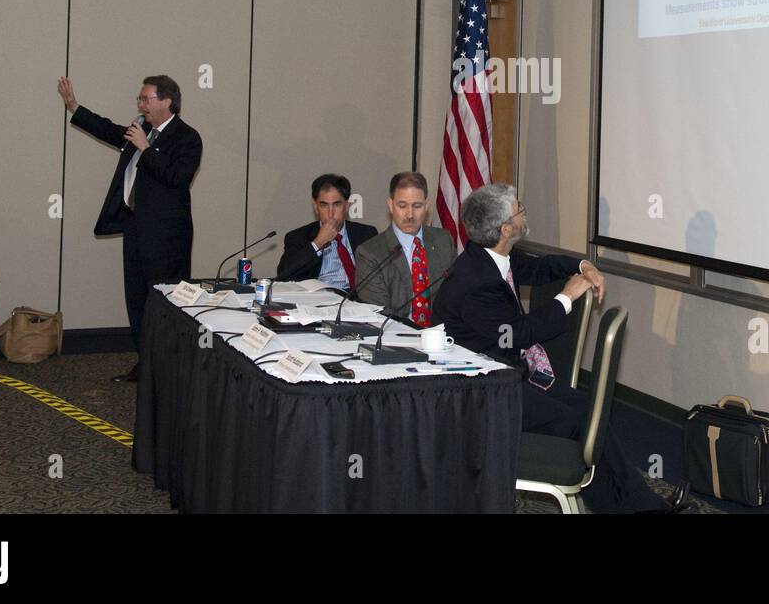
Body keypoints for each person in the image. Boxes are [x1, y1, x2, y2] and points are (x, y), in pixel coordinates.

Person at [432, 183, 671, 512]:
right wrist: (567, 297)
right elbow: (518, 334)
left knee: (590, 410)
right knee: (579, 423)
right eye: (519, 209)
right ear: (505, 229)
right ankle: (639, 505)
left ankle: (631, 503)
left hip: (510, 376)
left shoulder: (494, 256)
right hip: (487, 395)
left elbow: (540, 267)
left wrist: (581, 266)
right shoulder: (474, 281)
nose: (523, 213)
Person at [57, 75, 202, 383]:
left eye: (145, 99)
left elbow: (177, 178)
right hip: (135, 227)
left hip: (166, 237)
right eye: (140, 99)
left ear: (166, 101)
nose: (140, 105)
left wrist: (147, 149)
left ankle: (170, 367)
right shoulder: (141, 130)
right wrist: (74, 106)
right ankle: (145, 361)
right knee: (136, 299)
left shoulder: (187, 138)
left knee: (164, 303)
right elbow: (109, 130)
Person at [353, 172, 453, 325]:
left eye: (417, 206)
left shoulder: (443, 240)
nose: (410, 214)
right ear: (390, 205)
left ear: (426, 206)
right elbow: (379, 313)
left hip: (442, 335)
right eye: (402, 205)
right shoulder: (370, 253)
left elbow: (455, 296)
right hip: (396, 336)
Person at [275, 173, 377, 288]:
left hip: (357, 301)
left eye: (337, 205)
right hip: (317, 301)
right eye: (324, 205)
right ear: (315, 207)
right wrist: (318, 243)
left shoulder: (366, 234)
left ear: (347, 206)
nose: (330, 213)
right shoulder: (298, 237)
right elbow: (283, 276)